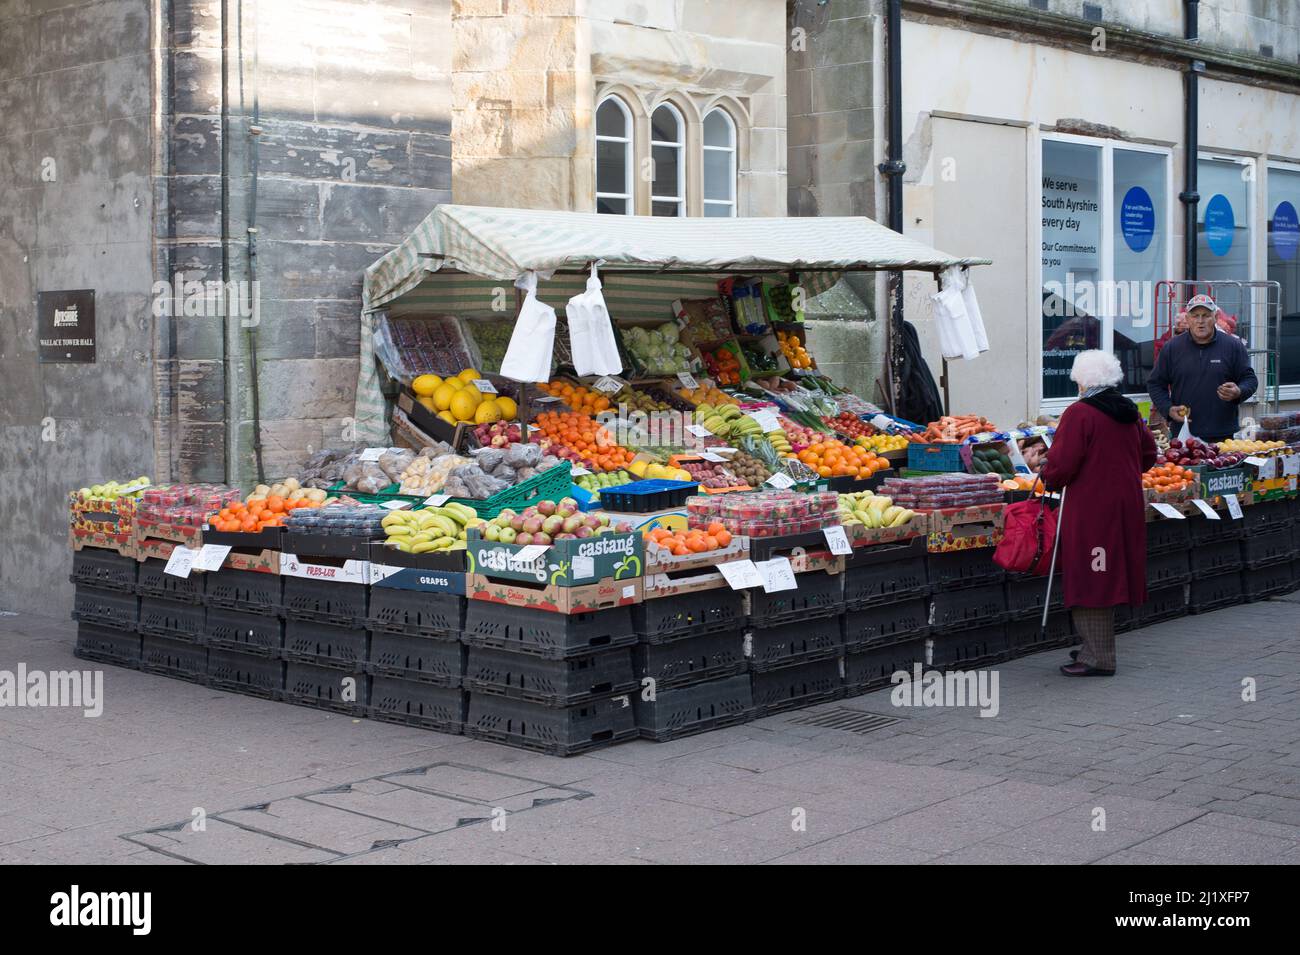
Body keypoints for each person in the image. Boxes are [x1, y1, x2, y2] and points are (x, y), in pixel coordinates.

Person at [1041, 350, 1157, 677]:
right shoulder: (1128, 410)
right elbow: (1149, 453)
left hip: (1092, 511)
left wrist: (1047, 472)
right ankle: (1094, 647)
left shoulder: (1080, 413)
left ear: (1083, 380)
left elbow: (1062, 464)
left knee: (1093, 575)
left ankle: (1099, 657)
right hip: (1125, 506)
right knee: (1104, 571)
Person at [1146, 293, 1257, 443]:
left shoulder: (1232, 346)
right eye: (1195, 316)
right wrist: (1168, 408)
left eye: (1206, 316)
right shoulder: (1172, 348)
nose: (1200, 321)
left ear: (1216, 318)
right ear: (1187, 319)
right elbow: (1155, 384)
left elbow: (1250, 379)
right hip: (1183, 433)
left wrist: (1239, 391)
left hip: (1223, 434)